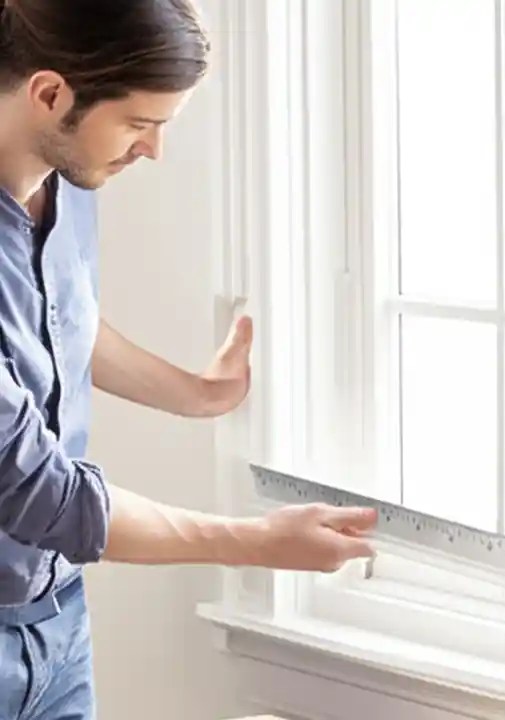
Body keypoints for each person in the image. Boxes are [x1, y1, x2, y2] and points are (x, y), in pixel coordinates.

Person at [0, 1, 378, 718]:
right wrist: (258, 541)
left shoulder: (70, 177)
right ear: (50, 94)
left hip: (58, 619)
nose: (152, 150)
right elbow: (43, 497)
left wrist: (196, 394)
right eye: (140, 124)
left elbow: (54, 322)